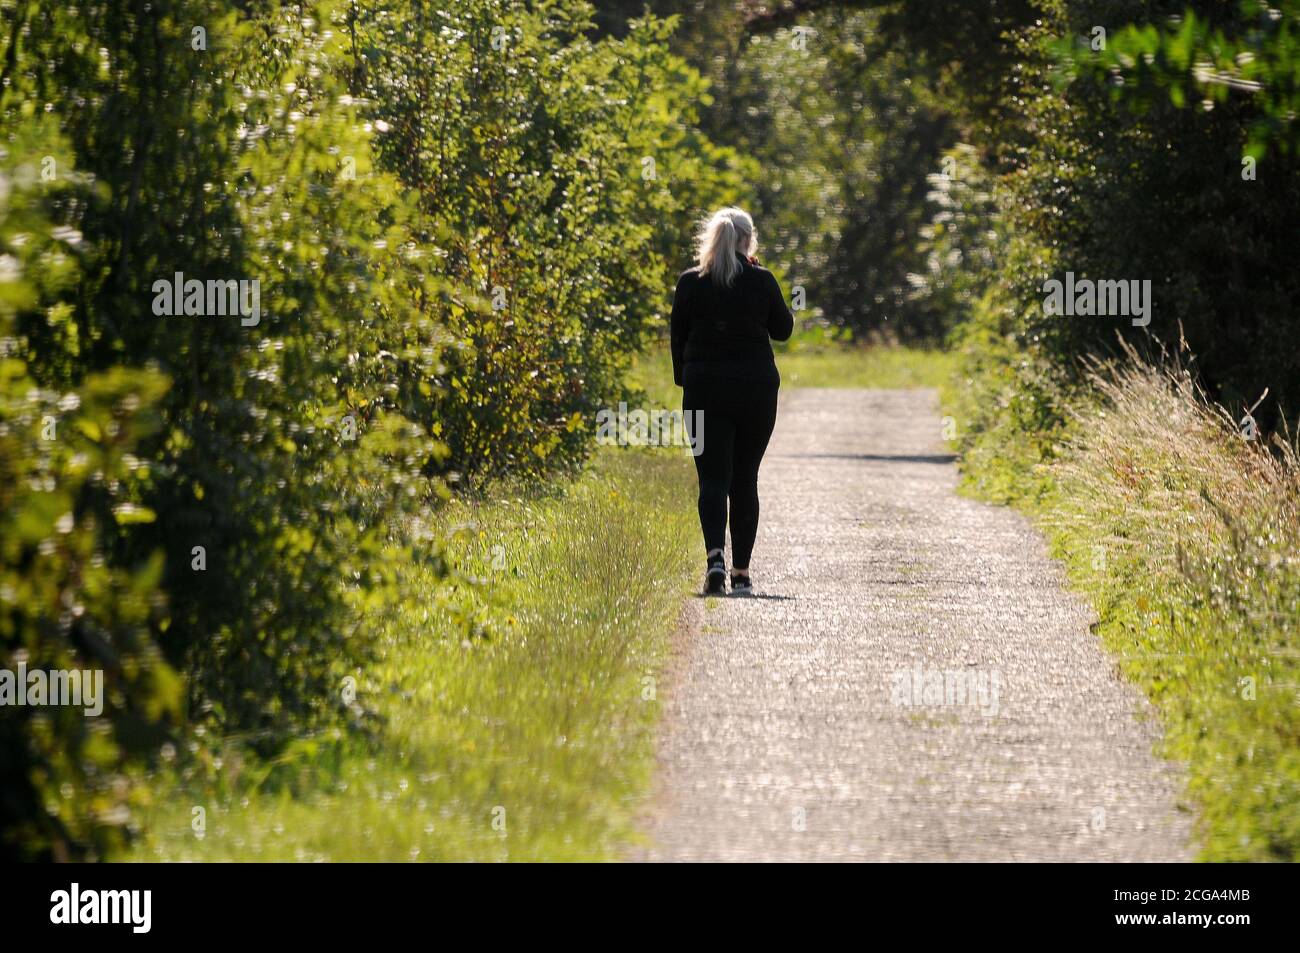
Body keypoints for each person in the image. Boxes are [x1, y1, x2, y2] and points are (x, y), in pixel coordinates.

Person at [670, 207, 794, 596]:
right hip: (756, 391)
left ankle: (715, 560)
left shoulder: (691, 283)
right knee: (744, 478)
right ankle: (741, 572)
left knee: (712, 478)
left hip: (704, 389)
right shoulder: (761, 280)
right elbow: (784, 329)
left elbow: (677, 339)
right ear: (748, 240)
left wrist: (686, 380)